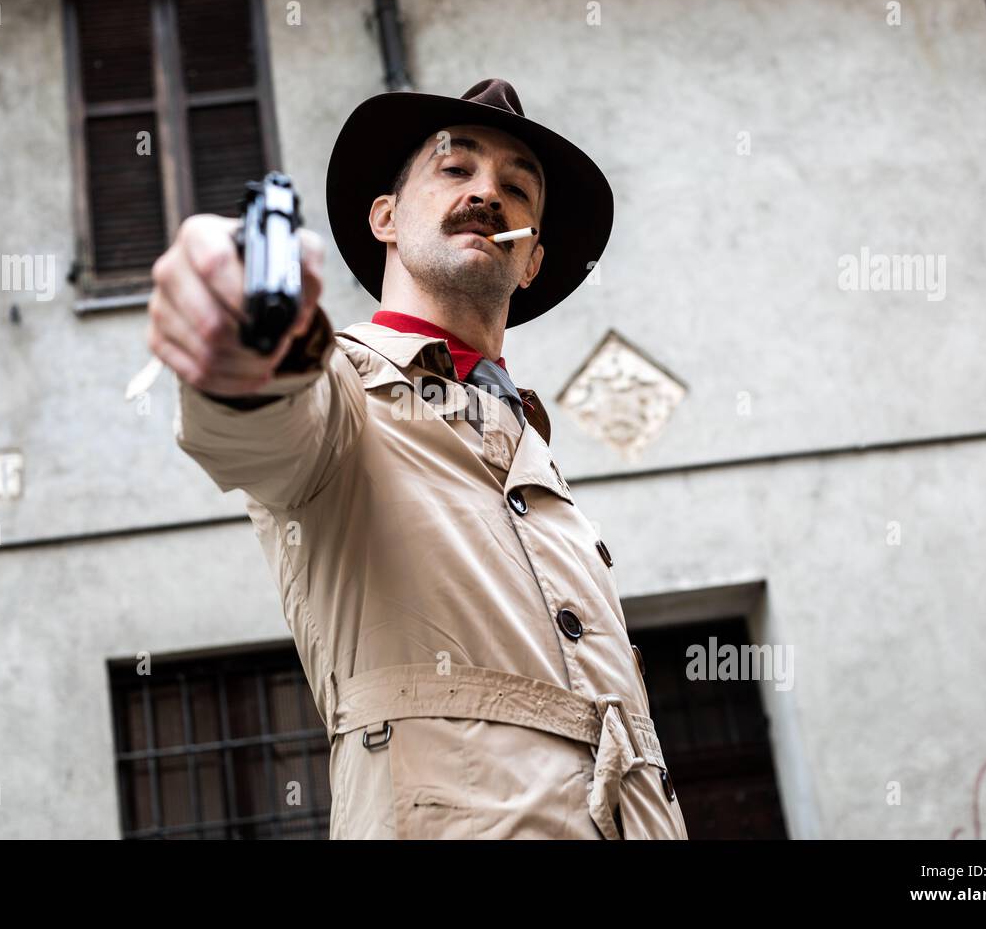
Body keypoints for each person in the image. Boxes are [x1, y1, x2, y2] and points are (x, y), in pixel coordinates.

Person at [146, 78, 689, 839]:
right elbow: (263, 424)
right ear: (387, 218)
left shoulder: (530, 442)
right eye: (455, 168)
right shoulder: (339, 387)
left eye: (516, 187)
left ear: (530, 260)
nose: (487, 194)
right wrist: (245, 344)